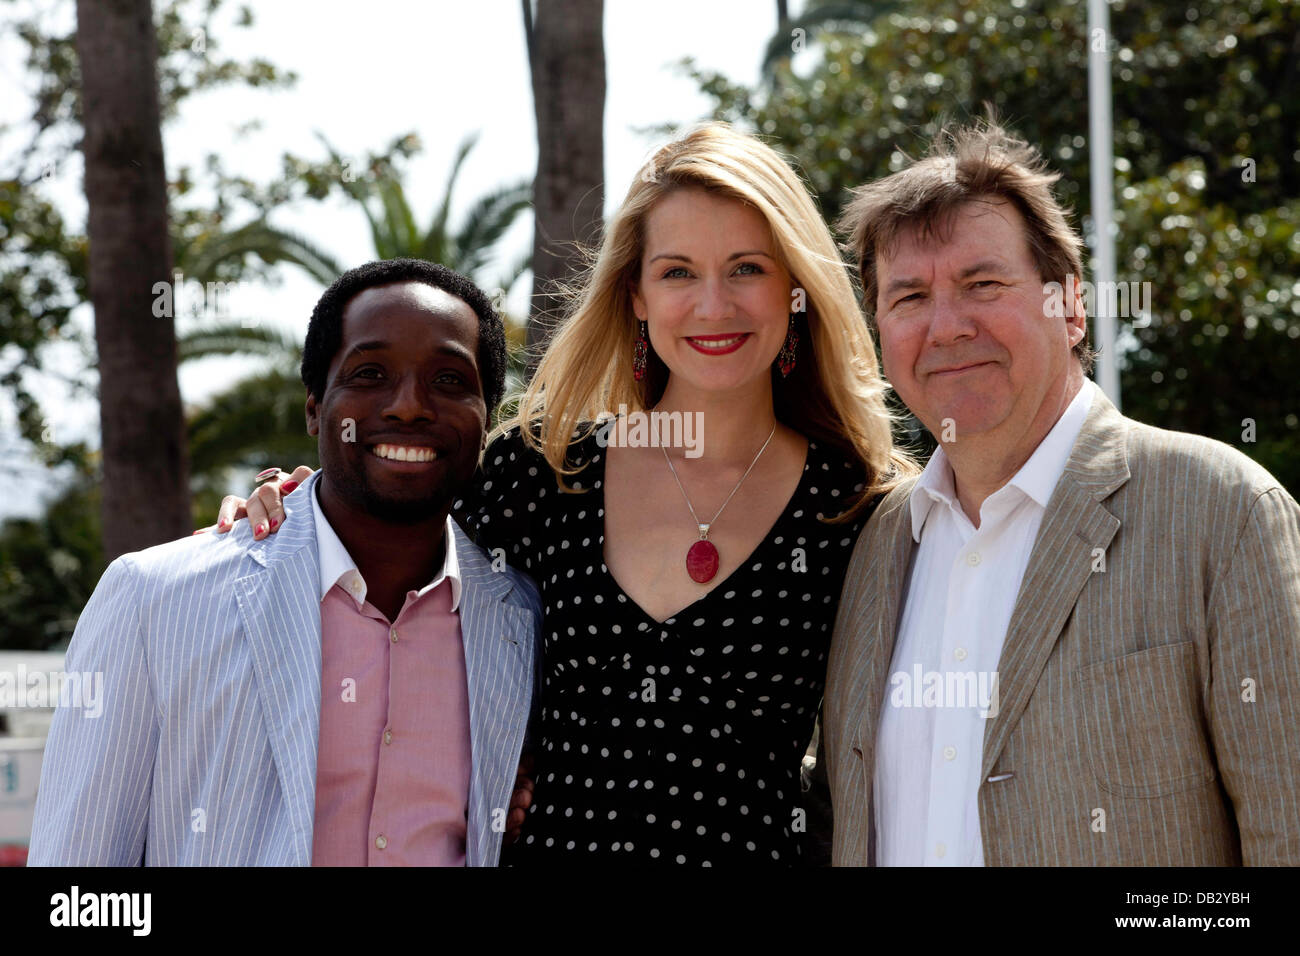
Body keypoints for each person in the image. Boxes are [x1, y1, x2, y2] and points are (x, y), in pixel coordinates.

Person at [212, 122, 916, 865]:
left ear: (797, 287)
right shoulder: (546, 469)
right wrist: (292, 502)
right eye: (677, 272)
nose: (714, 305)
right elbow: (389, 562)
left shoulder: (861, 506)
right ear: (635, 294)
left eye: (747, 268)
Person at [824, 118, 1300, 866]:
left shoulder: (1225, 511)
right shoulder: (871, 545)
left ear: (1070, 307)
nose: (946, 327)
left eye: (983, 284)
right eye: (909, 297)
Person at [29, 259, 542, 866]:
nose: (409, 407)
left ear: (488, 417)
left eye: (450, 381)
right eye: (370, 373)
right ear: (313, 406)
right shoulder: (155, 599)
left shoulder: (525, 621)